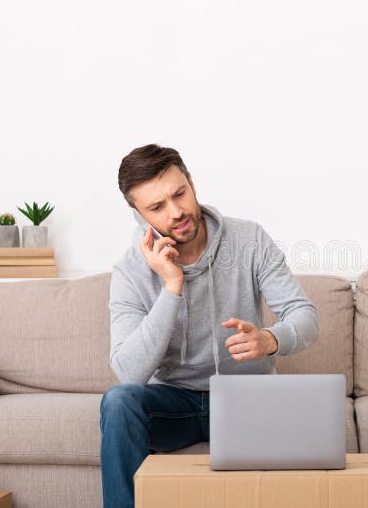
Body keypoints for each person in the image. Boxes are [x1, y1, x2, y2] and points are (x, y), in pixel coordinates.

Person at [99, 144, 319, 508]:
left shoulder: (249, 240)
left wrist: (269, 339)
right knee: (119, 402)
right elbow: (129, 372)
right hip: (173, 402)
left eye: (179, 194)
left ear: (192, 183)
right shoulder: (130, 271)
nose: (176, 212)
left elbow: (304, 315)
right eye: (156, 207)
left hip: (245, 396)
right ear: (138, 215)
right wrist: (172, 286)